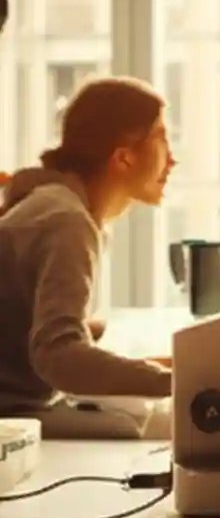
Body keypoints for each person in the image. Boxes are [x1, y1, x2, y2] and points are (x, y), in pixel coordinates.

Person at [0, 77, 177, 437]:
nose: (172, 158)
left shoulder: (55, 206)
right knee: (152, 427)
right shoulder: (67, 221)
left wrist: (179, 367)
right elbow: (58, 357)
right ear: (123, 156)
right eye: (162, 137)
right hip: (15, 415)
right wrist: (180, 380)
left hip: (22, 400)